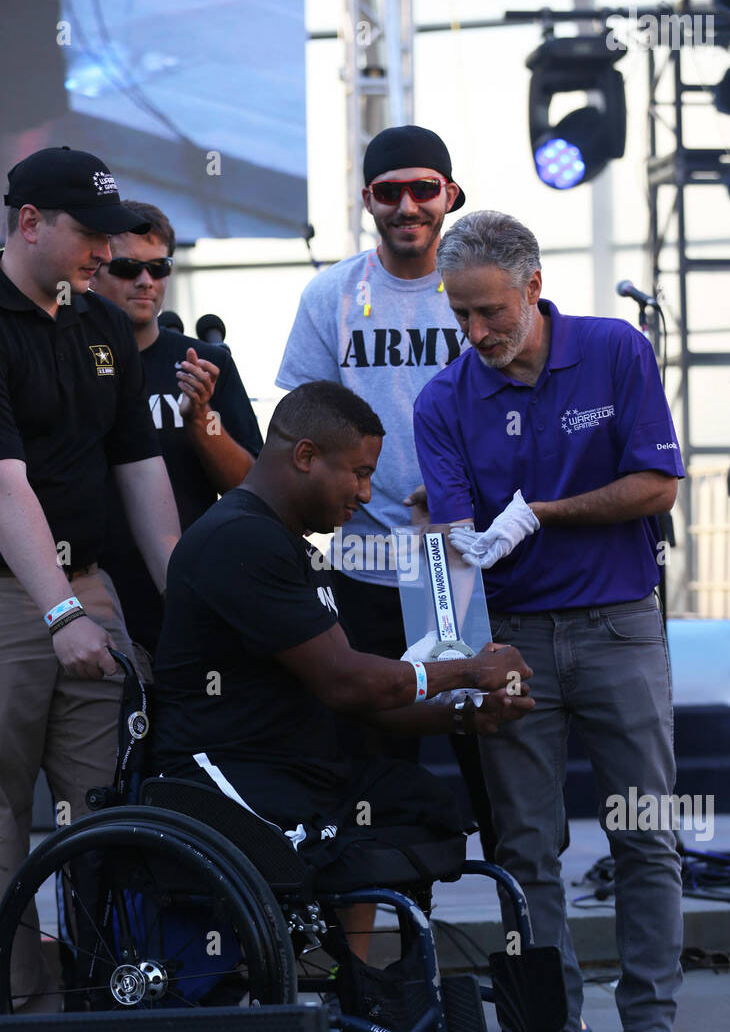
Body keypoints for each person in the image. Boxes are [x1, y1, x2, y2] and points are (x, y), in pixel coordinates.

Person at [413, 209, 696, 1032]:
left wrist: (542, 509)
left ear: (534, 286)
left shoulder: (614, 351)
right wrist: (451, 582)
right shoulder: (444, 399)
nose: (477, 332)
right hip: (516, 641)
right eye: (461, 315)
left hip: (620, 625)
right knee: (527, 847)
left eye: (491, 310)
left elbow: (657, 483)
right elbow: (455, 535)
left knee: (644, 833)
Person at [151, 381, 535, 957]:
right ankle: (320, 984)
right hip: (224, 770)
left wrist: (463, 718)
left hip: (298, 766)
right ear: (305, 456)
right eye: (357, 473)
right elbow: (348, 680)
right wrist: (469, 673)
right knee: (328, 841)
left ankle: (356, 986)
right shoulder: (239, 539)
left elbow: (357, 699)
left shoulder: (299, 549)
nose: (365, 492)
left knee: (423, 804)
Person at [275, 124, 496, 852]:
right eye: (389, 191)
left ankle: (527, 942)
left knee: (494, 757)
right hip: (368, 562)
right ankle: (379, 955)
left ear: (451, 195)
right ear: (367, 199)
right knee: (369, 765)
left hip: (474, 556)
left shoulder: (478, 291)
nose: (407, 205)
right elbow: (301, 427)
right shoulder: (331, 294)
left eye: (423, 188)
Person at [0, 146, 180, 1010]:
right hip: (15, 595)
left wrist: (184, 596)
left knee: (102, 808)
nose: (106, 254)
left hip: (88, 586)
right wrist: (62, 609)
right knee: (2, 818)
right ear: (29, 223)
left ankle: (109, 1005)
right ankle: (25, 1022)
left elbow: (140, 472)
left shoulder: (103, 325)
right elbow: (4, 484)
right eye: (89, 233)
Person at [92, 201, 263, 657]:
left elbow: (251, 486)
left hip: (188, 584)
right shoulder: (69, 356)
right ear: (94, 269)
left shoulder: (206, 362)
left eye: (158, 267)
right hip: (93, 588)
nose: (146, 282)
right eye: (127, 267)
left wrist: (202, 419)